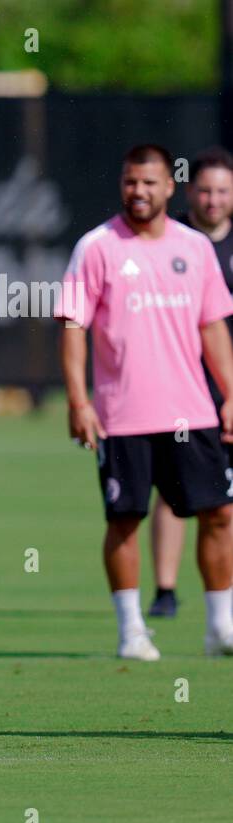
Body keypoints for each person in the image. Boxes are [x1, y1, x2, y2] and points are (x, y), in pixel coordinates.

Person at [58, 143, 233, 661]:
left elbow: (212, 325)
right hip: (122, 416)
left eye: (150, 183)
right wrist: (77, 400)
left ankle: (221, 627)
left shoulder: (195, 247)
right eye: (131, 181)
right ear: (122, 183)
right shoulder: (96, 246)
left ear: (168, 187)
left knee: (219, 514)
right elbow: (73, 326)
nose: (139, 191)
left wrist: (230, 394)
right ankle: (132, 630)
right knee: (125, 519)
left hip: (193, 411)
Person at [148, 146, 233, 617]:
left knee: (223, 501)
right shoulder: (170, 239)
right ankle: (164, 588)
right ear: (189, 191)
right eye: (205, 189)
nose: (213, 199)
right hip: (182, 387)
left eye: (223, 191)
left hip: (230, 387)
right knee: (175, 489)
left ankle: (222, 600)